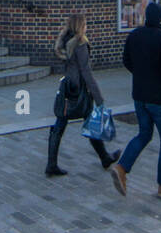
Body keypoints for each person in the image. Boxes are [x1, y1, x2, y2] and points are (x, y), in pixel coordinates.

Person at [110, 2, 161, 199]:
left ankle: (122, 167)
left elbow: (126, 60)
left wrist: (141, 75)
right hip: (160, 98)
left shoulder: (134, 35)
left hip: (140, 96)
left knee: (143, 134)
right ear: (160, 18)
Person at [46, 12, 121, 176]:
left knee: (60, 123)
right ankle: (104, 157)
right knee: (89, 119)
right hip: (79, 88)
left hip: (67, 86)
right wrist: (99, 97)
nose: (87, 27)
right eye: (85, 24)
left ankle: (52, 164)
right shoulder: (80, 43)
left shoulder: (64, 42)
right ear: (80, 26)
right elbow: (86, 72)